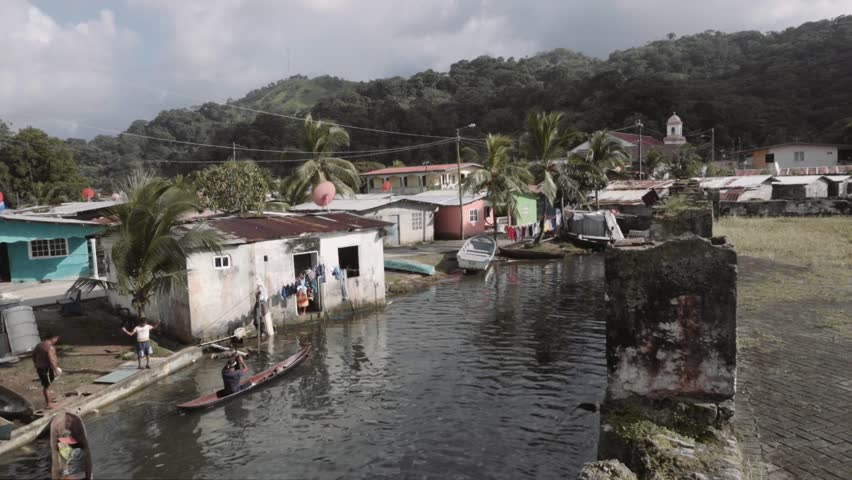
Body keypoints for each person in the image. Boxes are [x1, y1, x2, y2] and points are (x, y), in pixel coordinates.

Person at [32, 333, 61, 409]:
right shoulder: (50, 347)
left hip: (40, 368)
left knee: (47, 384)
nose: (57, 340)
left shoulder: (39, 345)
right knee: (47, 386)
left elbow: (34, 355)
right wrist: (56, 369)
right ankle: (49, 404)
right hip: (46, 369)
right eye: (57, 338)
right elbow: (51, 359)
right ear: (53, 338)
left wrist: (36, 363)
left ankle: (50, 401)